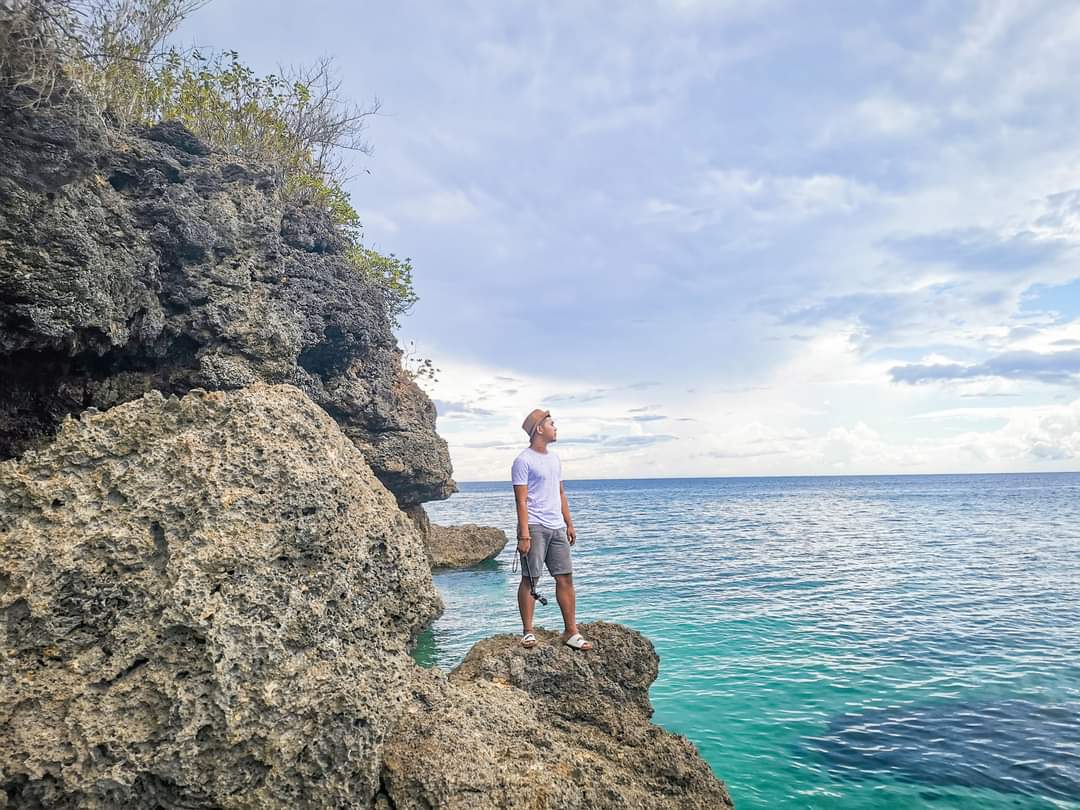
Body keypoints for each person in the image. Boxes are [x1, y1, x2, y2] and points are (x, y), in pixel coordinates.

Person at [511, 408, 593, 651]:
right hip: (534, 526)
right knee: (531, 578)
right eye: (551, 423)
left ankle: (571, 631)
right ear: (539, 429)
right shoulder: (522, 461)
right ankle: (528, 632)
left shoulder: (554, 459)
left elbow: (560, 493)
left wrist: (569, 523)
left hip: (557, 526)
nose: (555, 427)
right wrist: (524, 533)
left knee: (565, 578)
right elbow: (521, 500)